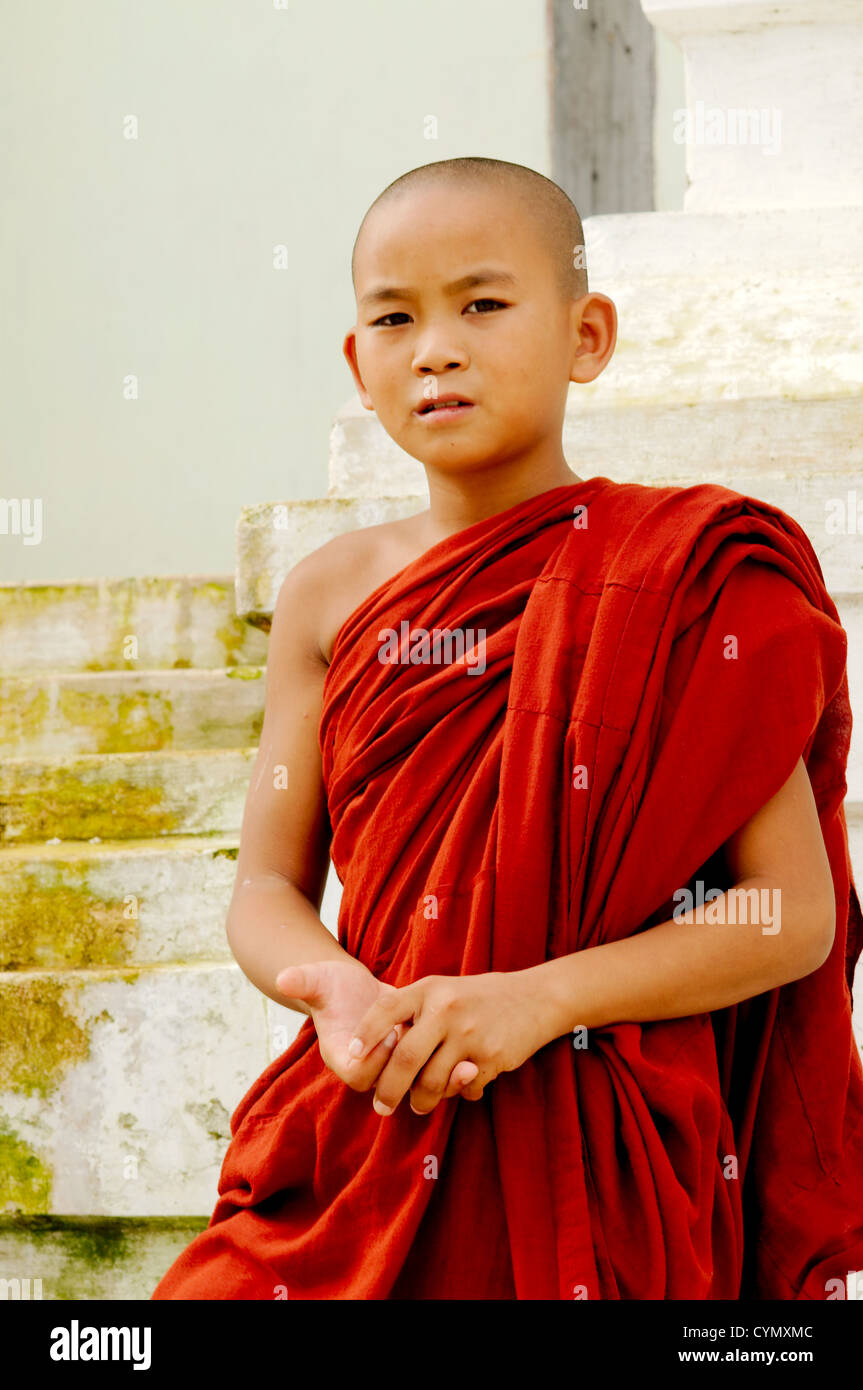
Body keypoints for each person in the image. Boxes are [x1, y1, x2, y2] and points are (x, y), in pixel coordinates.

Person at [152, 156, 863, 1300]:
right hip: (371, 1107)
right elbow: (265, 891)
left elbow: (786, 918)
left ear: (586, 336)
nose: (435, 346)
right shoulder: (328, 594)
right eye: (394, 317)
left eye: (482, 303)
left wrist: (541, 997)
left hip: (602, 1130)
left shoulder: (682, 580)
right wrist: (338, 995)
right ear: (357, 363)